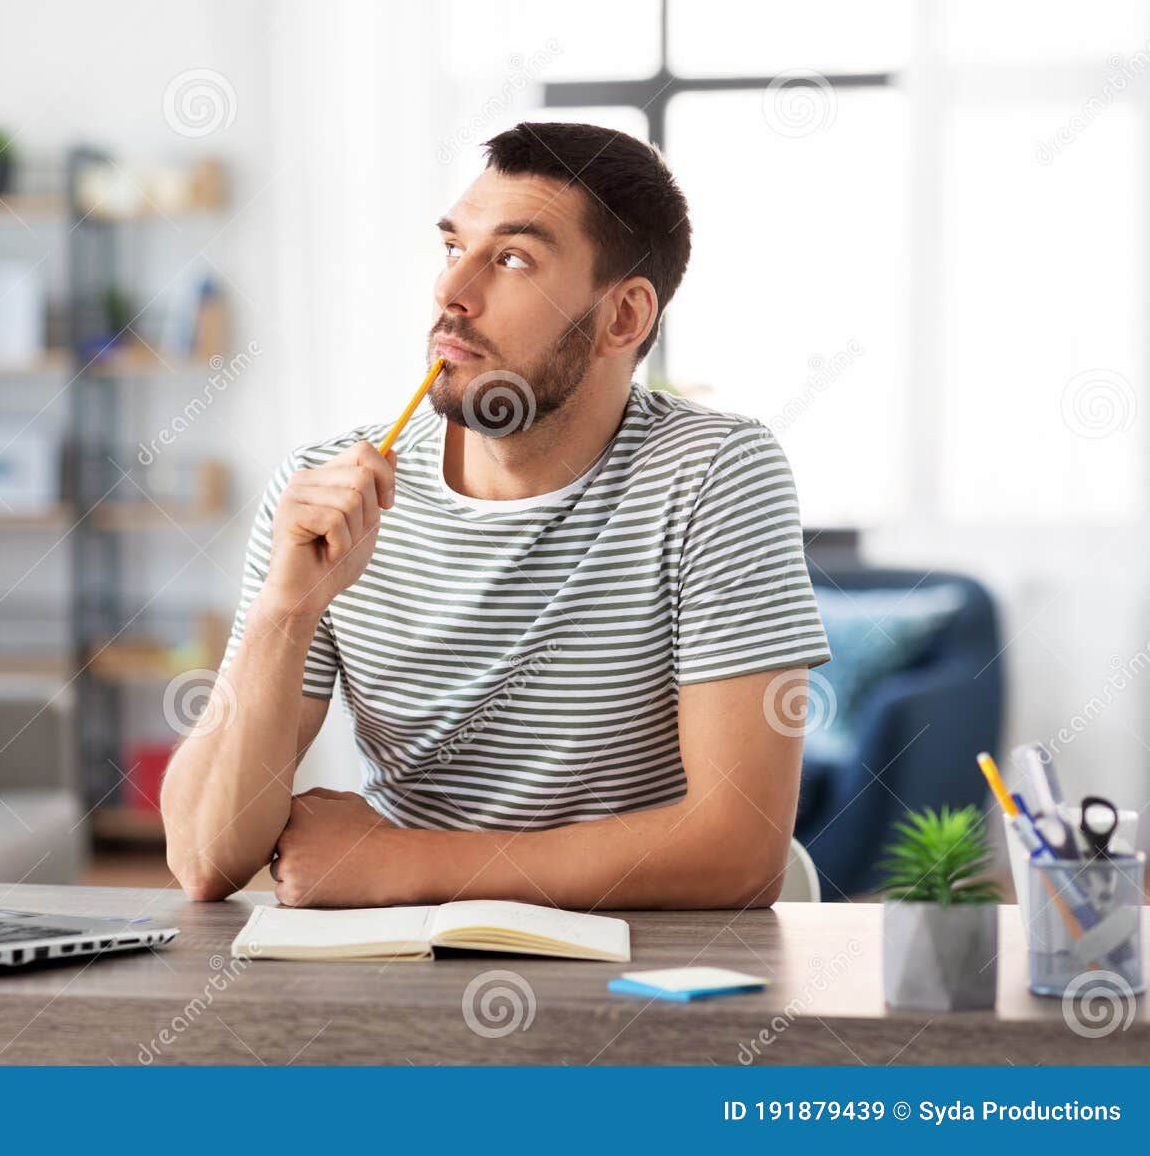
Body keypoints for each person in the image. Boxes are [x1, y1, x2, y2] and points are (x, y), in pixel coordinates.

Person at [161, 121, 831, 909]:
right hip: (403, 955)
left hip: (645, 959)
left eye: (512, 259)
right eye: (454, 247)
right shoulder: (327, 488)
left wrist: (404, 864)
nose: (452, 291)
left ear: (623, 318)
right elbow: (205, 859)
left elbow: (740, 852)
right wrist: (286, 609)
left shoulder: (715, 473)